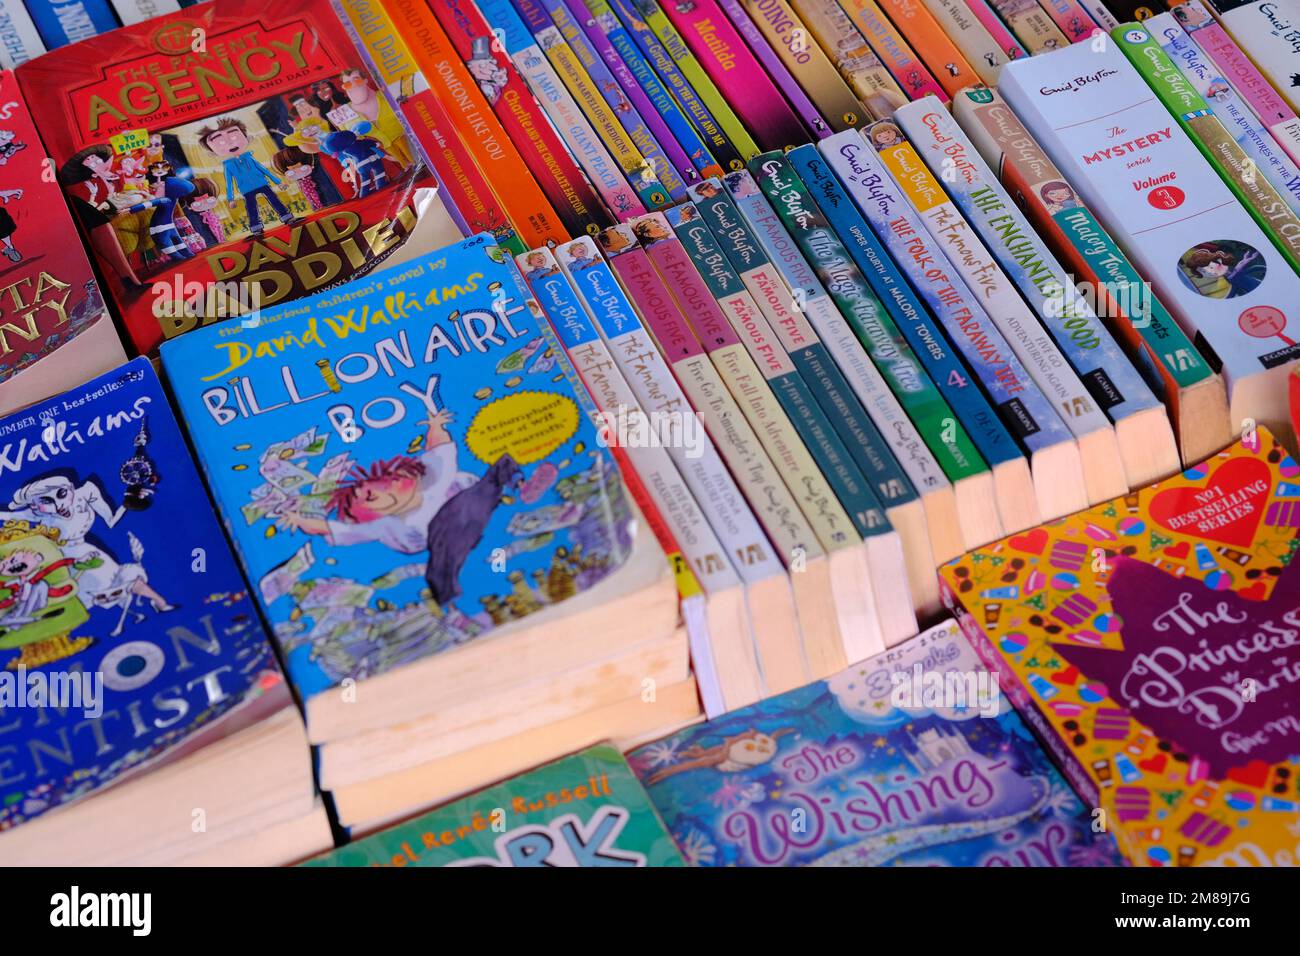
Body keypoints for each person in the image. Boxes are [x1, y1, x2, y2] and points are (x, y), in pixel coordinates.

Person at [197, 117, 296, 235]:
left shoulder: (249, 157)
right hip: (246, 189)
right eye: (221, 142)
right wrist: (230, 199)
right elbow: (229, 182)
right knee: (251, 208)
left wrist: (278, 182)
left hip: (262, 183)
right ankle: (256, 227)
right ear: (212, 153)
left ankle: (287, 217)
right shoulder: (228, 166)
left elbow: (264, 170)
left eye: (234, 137)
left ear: (247, 139)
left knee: (275, 200)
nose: (230, 143)